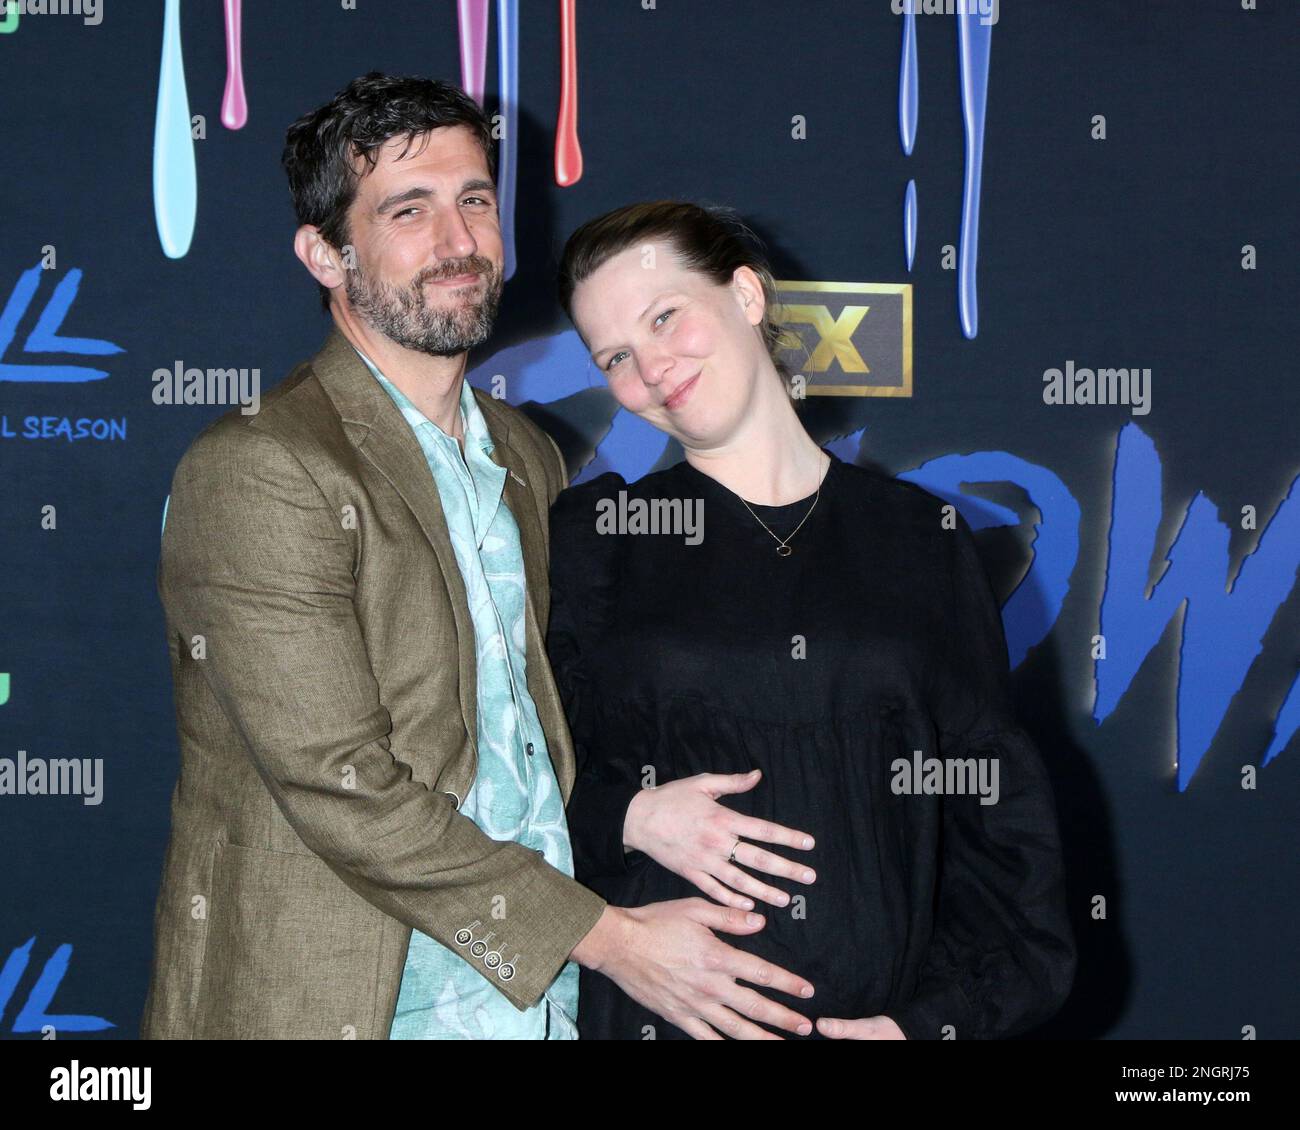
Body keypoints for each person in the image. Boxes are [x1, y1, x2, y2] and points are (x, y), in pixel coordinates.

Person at [140, 76, 817, 1040]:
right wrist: (613, 941)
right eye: (407, 211)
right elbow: (341, 785)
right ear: (325, 254)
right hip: (354, 1009)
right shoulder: (261, 467)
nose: (460, 243)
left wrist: (629, 816)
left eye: (477, 200)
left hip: (537, 1008)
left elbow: (531, 735)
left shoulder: (527, 456)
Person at [548, 200, 1078, 1040]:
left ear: (747, 295)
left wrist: (926, 1026)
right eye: (616, 354)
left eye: (665, 317)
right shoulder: (595, 543)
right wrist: (629, 816)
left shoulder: (920, 540)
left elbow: (995, 827)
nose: (651, 368)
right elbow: (501, 809)